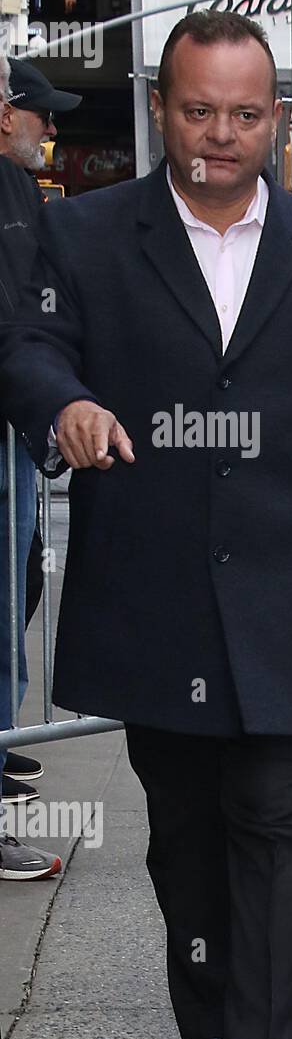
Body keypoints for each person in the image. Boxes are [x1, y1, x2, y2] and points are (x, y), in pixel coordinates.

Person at [0, 12, 292, 1039]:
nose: (220, 134)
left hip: (290, 584)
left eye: (245, 114)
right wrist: (69, 406)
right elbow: (29, 351)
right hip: (151, 588)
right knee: (182, 827)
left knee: (273, 813)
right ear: (161, 107)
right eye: (199, 110)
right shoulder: (85, 234)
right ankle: (206, 1025)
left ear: (277, 119)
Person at [0, 57, 79, 848]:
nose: (51, 130)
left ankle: (4, 743)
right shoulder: (12, 191)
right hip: (12, 421)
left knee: (16, 577)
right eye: (40, 115)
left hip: (17, 426)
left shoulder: (23, 193)